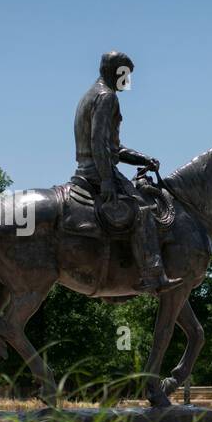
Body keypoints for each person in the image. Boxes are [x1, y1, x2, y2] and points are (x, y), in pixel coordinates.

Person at [72, 51, 180, 292]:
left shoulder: (91, 95)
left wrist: (142, 158)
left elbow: (113, 147)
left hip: (89, 168)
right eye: (126, 74)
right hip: (98, 172)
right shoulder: (107, 96)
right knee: (143, 209)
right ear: (117, 72)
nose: (128, 81)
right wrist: (107, 180)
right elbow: (98, 142)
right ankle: (152, 274)